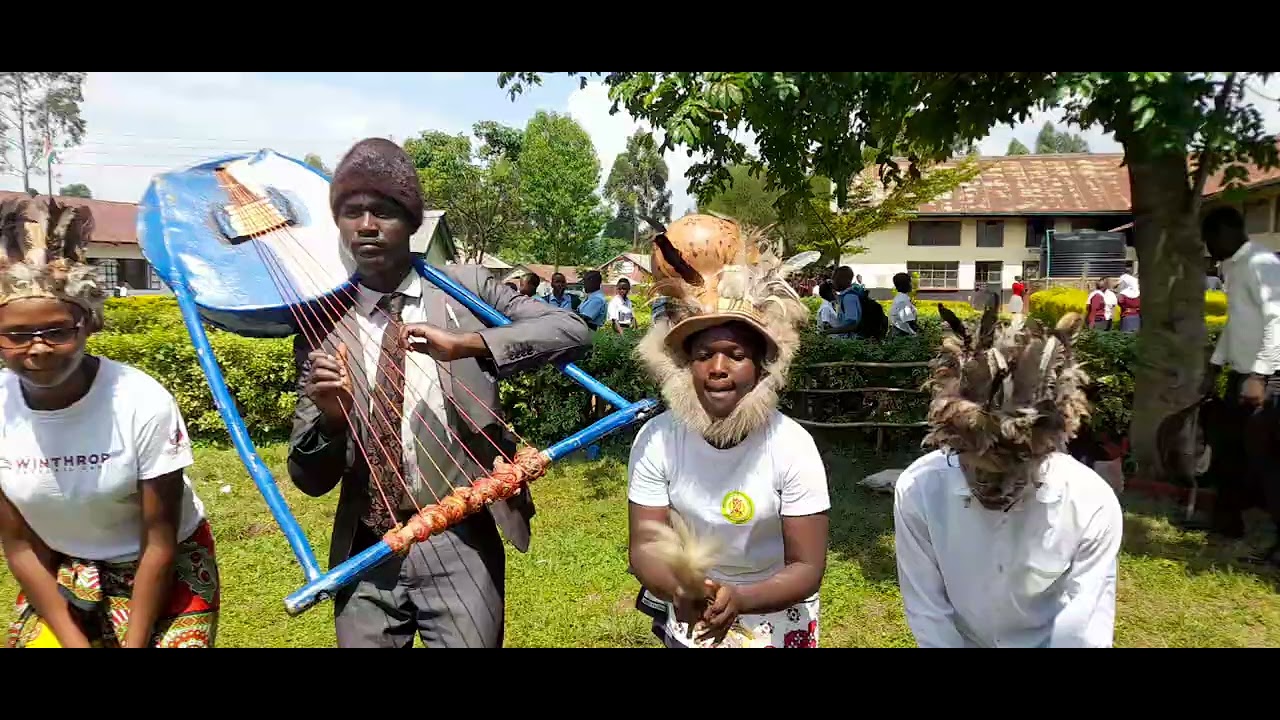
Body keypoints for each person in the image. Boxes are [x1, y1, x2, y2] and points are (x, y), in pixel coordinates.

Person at [288, 137, 592, 648]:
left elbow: (573, 330)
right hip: (368, 548)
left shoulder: (466, 290)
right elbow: (307, 477)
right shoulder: (321, 323)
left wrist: (471, 345)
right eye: (351, 212)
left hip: (461, 537)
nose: (366, 225)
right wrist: (333, 419)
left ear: (413, 222)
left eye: (383, 211)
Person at [0, 197, 219, 648]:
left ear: (88, 324)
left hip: (163, 566)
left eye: (57, 331)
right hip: (61, 569)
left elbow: (158, 542)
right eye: (16, 335)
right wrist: (71, 640)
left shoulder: (141, 402)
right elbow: (20, 547)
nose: (37, 349)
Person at [627, 214, 829, 648]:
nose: (718, 369)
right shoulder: (657, 441)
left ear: (759, 368)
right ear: (686, 365)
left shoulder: (793, 447)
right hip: (691, 611)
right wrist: (679, 588)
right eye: (704, 355)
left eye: (735, 354)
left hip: (775, 612)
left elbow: (807, 568)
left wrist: (741, 598)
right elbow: (644, 544)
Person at [893, 305, 1123, 648]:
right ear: (955, 441)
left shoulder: (1090, 503)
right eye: (978, 468)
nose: (993, 488)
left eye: (1011, 470)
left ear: (1043, 449)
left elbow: (1081, 628)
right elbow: (928, 612)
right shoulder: (919, 490)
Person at [1198, 207, 1280, 564]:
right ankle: (1226, 521)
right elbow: (1238, 324)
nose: (1209, 247)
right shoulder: (1232, 267)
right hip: (1240, 374)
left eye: (1211, 239)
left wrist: (1260, 376)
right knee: (1227, 449)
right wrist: (1216, 365)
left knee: (1268, 461)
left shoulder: (1262, 264)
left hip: (1267, 377)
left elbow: (1278, 320)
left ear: (1228, 232)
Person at [823, 266, 863, 338]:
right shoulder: (847, 296)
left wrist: (830, 331)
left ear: (841, 280)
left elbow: (852, 325)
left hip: (852, 341)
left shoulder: (849, 298)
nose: (833, 282)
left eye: (834, 279)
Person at [888, 272, 919, 336]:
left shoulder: (901, 298)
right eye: (910, 282)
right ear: (905, 284)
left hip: (901, 332)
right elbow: (908, 321)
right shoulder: (902, 301)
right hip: (902, 334)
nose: (911, 285)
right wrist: (917, 333)